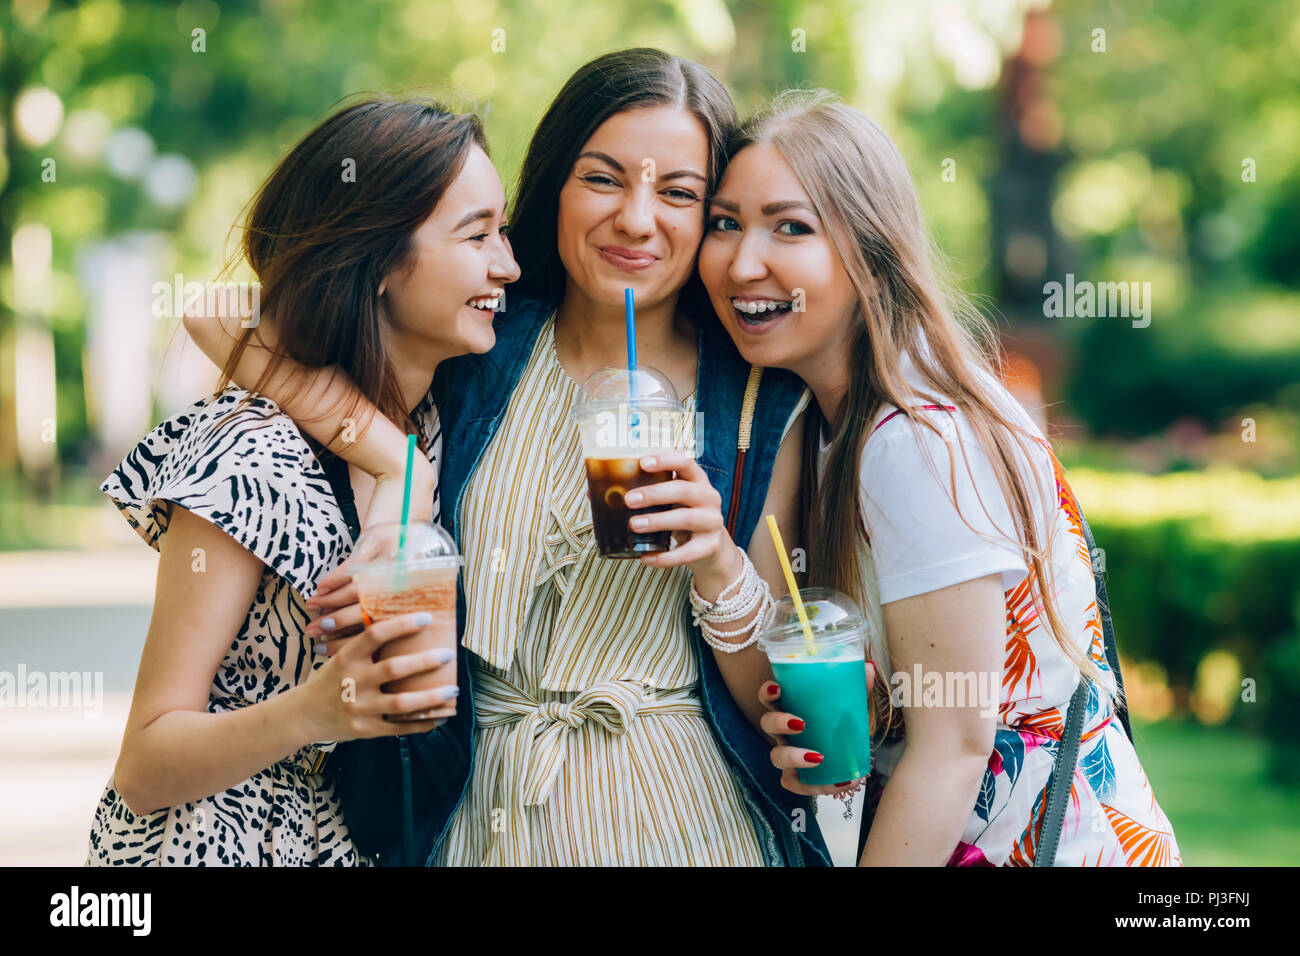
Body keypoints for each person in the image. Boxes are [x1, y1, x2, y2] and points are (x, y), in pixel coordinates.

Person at [185, 49, 835, 867]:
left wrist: (717, 562)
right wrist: (394, 456)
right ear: (555, 184)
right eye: (603, 179)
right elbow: (221, 313)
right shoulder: (476, 344)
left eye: (678, 193)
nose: (638, 219)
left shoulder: (756, 398)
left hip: (686, 817)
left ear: (710, 216)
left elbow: (774, 699)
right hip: (481, 814)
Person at [696, 89, 1182, 866]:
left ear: (869, 251)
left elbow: (953, 747)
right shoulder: (822, 424)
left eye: (790, 227)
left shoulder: (914, 438)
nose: (743, 260)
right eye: (725, 223)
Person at [88, 97, 518, 865]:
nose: (507, 264)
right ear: (382, 258)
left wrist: (397, 460)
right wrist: (315, 711)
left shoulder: (447, 433)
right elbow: (144, 768)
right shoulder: (253, 456)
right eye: (477, 234)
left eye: (505, 230)